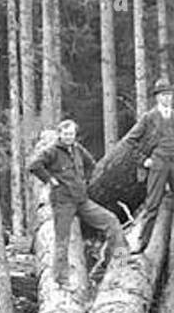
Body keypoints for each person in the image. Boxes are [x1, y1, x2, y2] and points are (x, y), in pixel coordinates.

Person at [27, 119, 125, 283]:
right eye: (65, 134)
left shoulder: (78, 149)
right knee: (62, 241)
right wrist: (50, 180)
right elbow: (34, 166)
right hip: (63, 203)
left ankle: (118, 264)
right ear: (60, 134)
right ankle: (61, 279)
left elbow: (91, 165)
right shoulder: (52, 151)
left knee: (112, 222)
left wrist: (84, 181)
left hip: (82, 201)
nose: (68, 137)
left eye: (71, 134)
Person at [122, 78, 174, 254]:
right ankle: (142, 243)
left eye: (169, 95)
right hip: (158, 163)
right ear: (157, 98)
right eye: (163, 95)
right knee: (152, 204)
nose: (167, 98)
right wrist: (143, 160)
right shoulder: (149, 118)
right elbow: (130, 140)